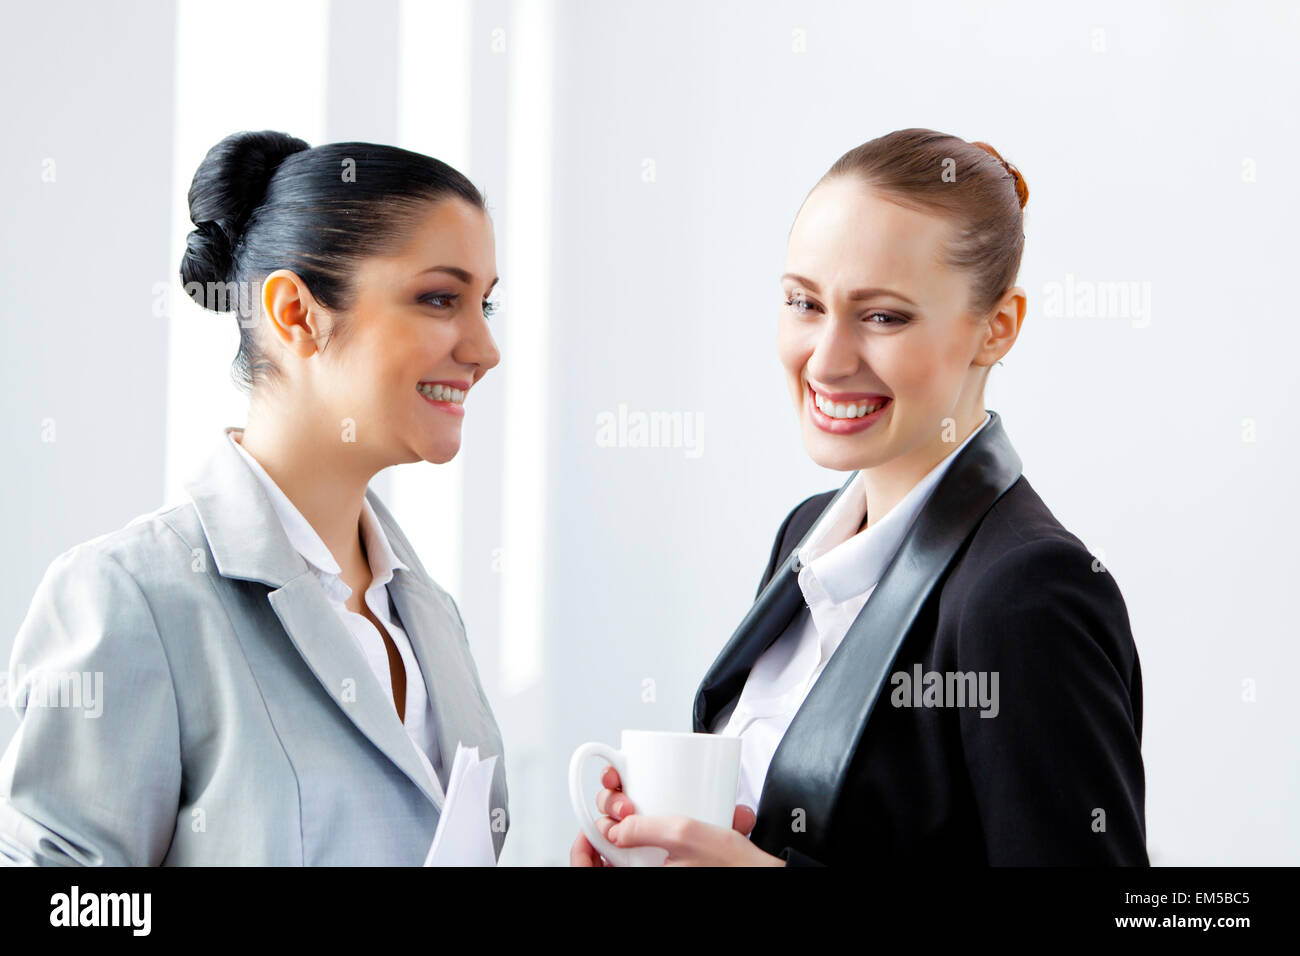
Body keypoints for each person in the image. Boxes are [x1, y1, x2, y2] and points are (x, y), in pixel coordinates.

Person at [571, 128, 1147, 866]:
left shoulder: (1026, 592)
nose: (828, 359)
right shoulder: (806, 534)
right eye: (804, 303)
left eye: (883, 316)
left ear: (996, 329)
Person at [0, 130, 508, 865]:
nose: (484, 349)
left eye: (484, 306)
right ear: (296, 314)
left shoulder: (430, 616)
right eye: (440, 298)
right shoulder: (129, 597)